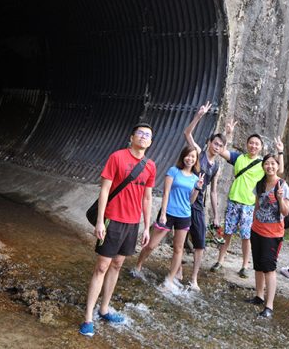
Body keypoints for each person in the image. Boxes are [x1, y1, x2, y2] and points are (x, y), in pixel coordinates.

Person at [80, 123, 157, 338]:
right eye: (140, 133)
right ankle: (88, 318)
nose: (143, 137)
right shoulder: (117, 157)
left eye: (148, 135)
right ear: (131, 136)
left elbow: (148, 197)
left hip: (132, 223)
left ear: (151, 142)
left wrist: (146, 226)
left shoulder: (150, 165)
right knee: (102, 267)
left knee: (117, 264)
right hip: (112, 219)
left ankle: (104, 309)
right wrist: (99, 222)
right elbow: (104, 190)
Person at [211, 126, 284, 278]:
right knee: (228, 233)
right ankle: (220, 260)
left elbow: (280, 170)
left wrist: (280, 152)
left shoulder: (263, 164)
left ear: (261, 147)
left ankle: (245, 265)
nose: (253, 146)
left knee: (246, 236)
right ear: (247, 144)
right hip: (234, 200)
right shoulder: (239, 158)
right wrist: (228, 134)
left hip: (250, 204)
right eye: (251, 143)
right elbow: (222, 151)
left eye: (257, 144)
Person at [132, 145, 203, 292]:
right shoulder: (173, 171)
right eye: (188, 155)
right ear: (183, 156)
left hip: (184, 216)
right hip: (168, 213)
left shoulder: (196, 178)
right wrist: (163, 213)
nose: (190, 159)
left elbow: (190, 201)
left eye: (193, 157)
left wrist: (197, 188)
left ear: (196, 160)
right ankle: (138, 265)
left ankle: (169, 280)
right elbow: (166, 193)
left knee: (178, 249)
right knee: (151, 245)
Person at [182, 101, 226, 291]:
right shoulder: (198, 153)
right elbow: (187, 134)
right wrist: (199, 116)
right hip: (182, 197)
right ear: (209, 143)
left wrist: (216, 215)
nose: (217, 147)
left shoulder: (216, 167)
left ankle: (193, 278)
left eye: (220, 146)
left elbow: (214, 192)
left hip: (198, 203)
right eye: (215, 143)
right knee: (169, 232)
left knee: (200, 242)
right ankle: (142, 264)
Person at [245, 153, 289, 318]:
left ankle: (269, 306)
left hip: (273, 233)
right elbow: (257, 206)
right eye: (267, 164)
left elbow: (285, 212)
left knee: (269, 268)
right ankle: (259, 296)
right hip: (257, 229)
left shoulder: (282, 186)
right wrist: (252, 223)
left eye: (273, 164)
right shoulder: (259, 184)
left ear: (277, 166)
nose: (270, 166)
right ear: (263, 166)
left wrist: (279, 199)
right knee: (258, 265)